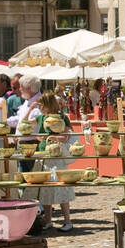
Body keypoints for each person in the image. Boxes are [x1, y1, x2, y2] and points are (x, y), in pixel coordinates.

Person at [28, 92, 74, 231]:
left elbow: (65, 137)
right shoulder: (41, 118)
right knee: (44, 188)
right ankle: (48, 220)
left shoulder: (62, 118)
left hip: (56, 155)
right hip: (43, 155)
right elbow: (24, 124)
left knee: (60, 185)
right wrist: (30, 109)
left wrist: (50, 137)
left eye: (41, 105)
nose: (40, 107)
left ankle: (67, 220)